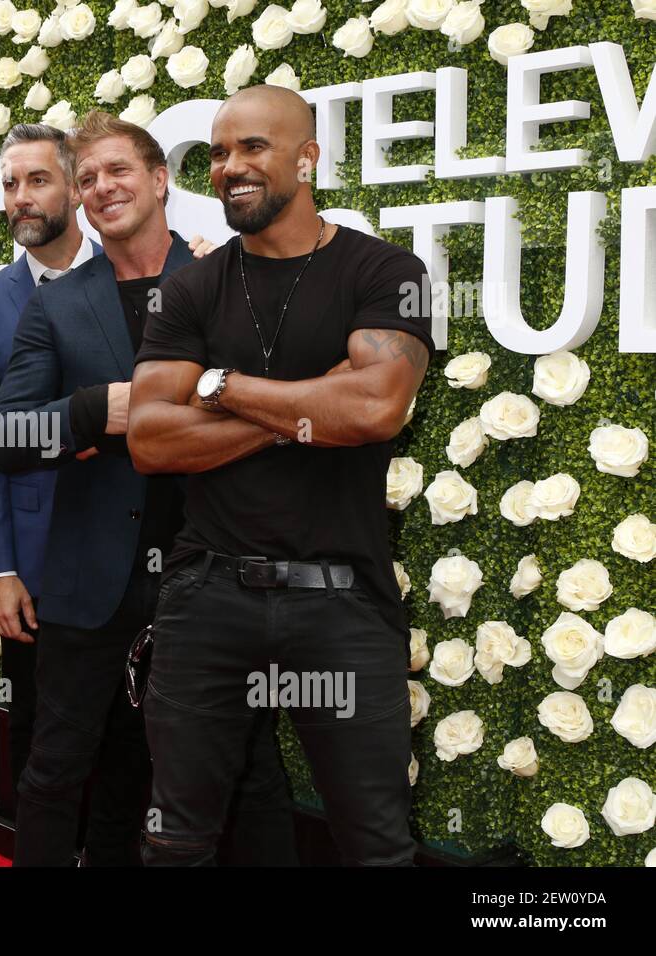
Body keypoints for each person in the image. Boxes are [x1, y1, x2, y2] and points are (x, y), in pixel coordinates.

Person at [128, 85, 433, 867]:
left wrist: (220, 387)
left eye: (253, 148)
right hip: (206, 597)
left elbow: (373, 410)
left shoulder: (384, 269)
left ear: (307, 157)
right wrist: (307, 410)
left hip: (343, 600)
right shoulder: (192, 286)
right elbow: (152, 441)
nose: (230, 167)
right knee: (176, 841)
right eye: (221, 152)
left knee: (377, 846)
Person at [0, 111, 296, 867]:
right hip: (91, 584)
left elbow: (284, 406)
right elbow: (5, 437)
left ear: (161, 181)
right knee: (57, 770)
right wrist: (101, 409)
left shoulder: (227, 281)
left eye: (117, 171)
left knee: (248, 769)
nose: (101, 188)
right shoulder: (55, 304)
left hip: (216, 574)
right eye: (87, 178)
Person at [0, 124, 98, 793]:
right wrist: (1, 568)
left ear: (76, 187)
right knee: (38, 732)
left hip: (128, 552)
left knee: (129, 736)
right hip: (35, 561)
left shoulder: (133, 277)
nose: (22, 197)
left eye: (38, 180)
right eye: (11, 184)